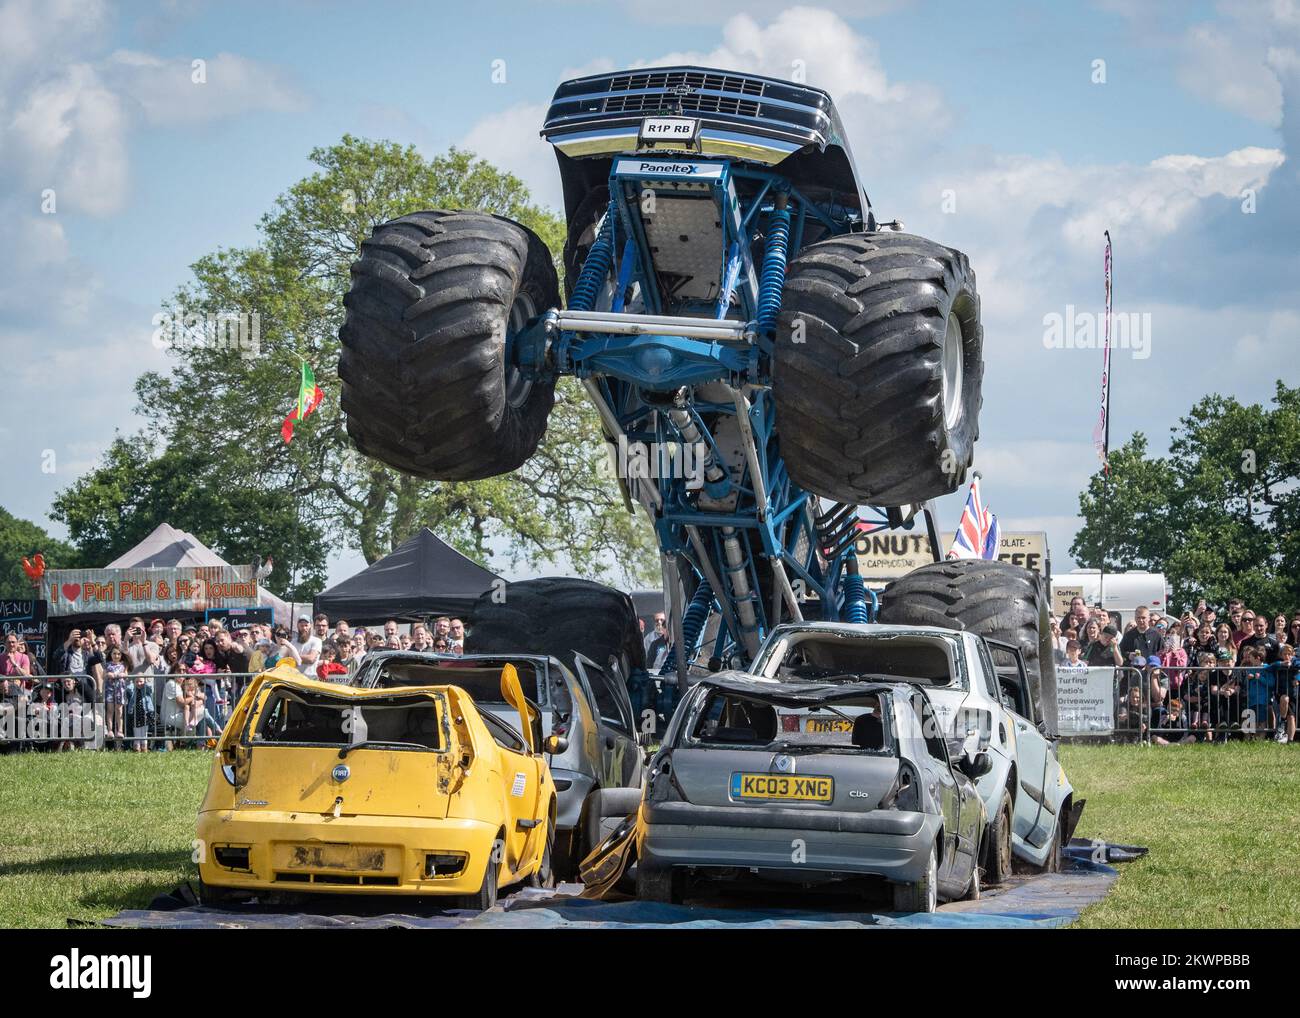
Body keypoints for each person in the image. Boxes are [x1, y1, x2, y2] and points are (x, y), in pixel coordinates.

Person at [104, 646, 129, 741]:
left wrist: (123, 675)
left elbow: (126, 675)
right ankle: (110, 730)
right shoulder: (107, 665)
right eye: (114, 653)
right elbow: (104, 674)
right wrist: (108, 674)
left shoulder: (123, 665)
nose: (116, 656)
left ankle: (120, 730)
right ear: (111, 654)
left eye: (118, 654)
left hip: (120, 690)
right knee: (110, 710)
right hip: (110, 689)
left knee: (119, 711)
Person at [125, 673, 154, 752]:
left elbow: (150, 688)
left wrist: (146, 682)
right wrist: (132, 682)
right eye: (137, 681)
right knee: (136, 730)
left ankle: (144, 746)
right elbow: (128, 688)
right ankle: (137, 746)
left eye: (141, 681)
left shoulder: (146, 689)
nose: (139, 683)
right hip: (135, 713)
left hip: (145, 713)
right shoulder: (133, 690)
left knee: (144, 731)